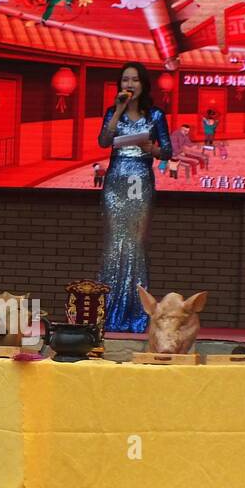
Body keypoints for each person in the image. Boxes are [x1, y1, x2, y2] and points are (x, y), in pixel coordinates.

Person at [97, 61, 172, 333]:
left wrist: (150, 147)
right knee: (114, 242)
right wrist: (117, 110)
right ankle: (107, 312)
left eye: (135, 80)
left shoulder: (155, 115)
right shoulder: (111, 111)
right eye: (125, 80)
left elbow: (167, 151)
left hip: (140, 179)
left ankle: (136, 315)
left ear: (143, 84)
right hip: (116, 180)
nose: (129, 85)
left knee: (135, 244)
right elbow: (104, 142)